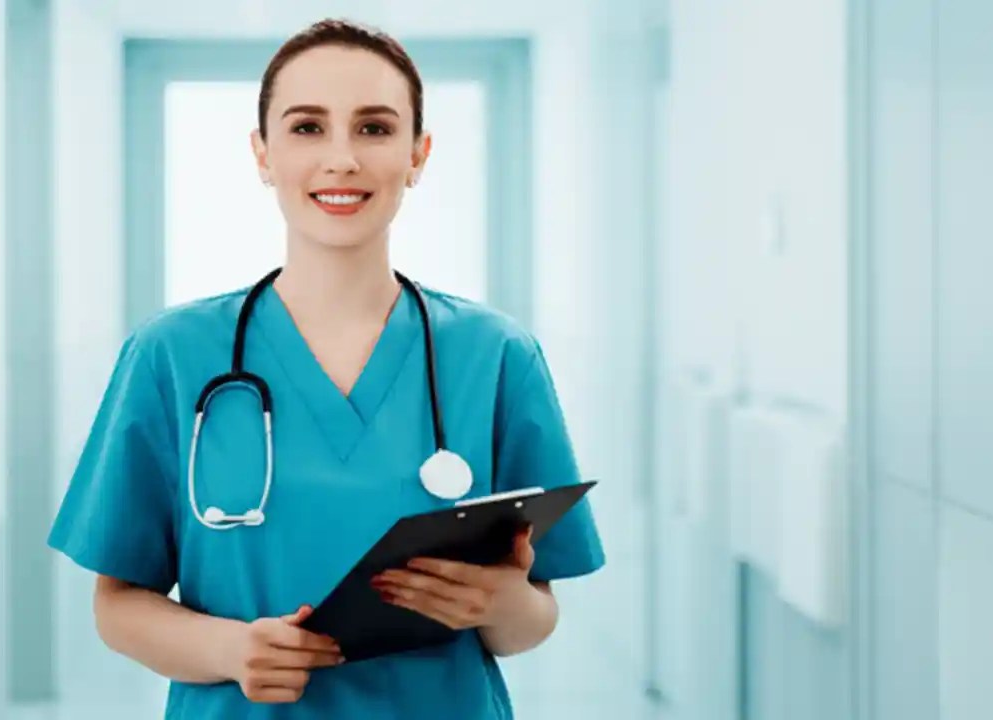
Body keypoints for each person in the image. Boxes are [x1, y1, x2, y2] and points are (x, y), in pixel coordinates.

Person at [47, 17, 605, 719]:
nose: (341, 158)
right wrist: (230, 651)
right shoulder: (170, 354)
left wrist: (501, 603)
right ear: (263, 153)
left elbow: (534, 618)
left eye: (374, 128)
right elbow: (118, 606)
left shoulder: (496, 356)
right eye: (307, 127)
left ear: (418, 154)